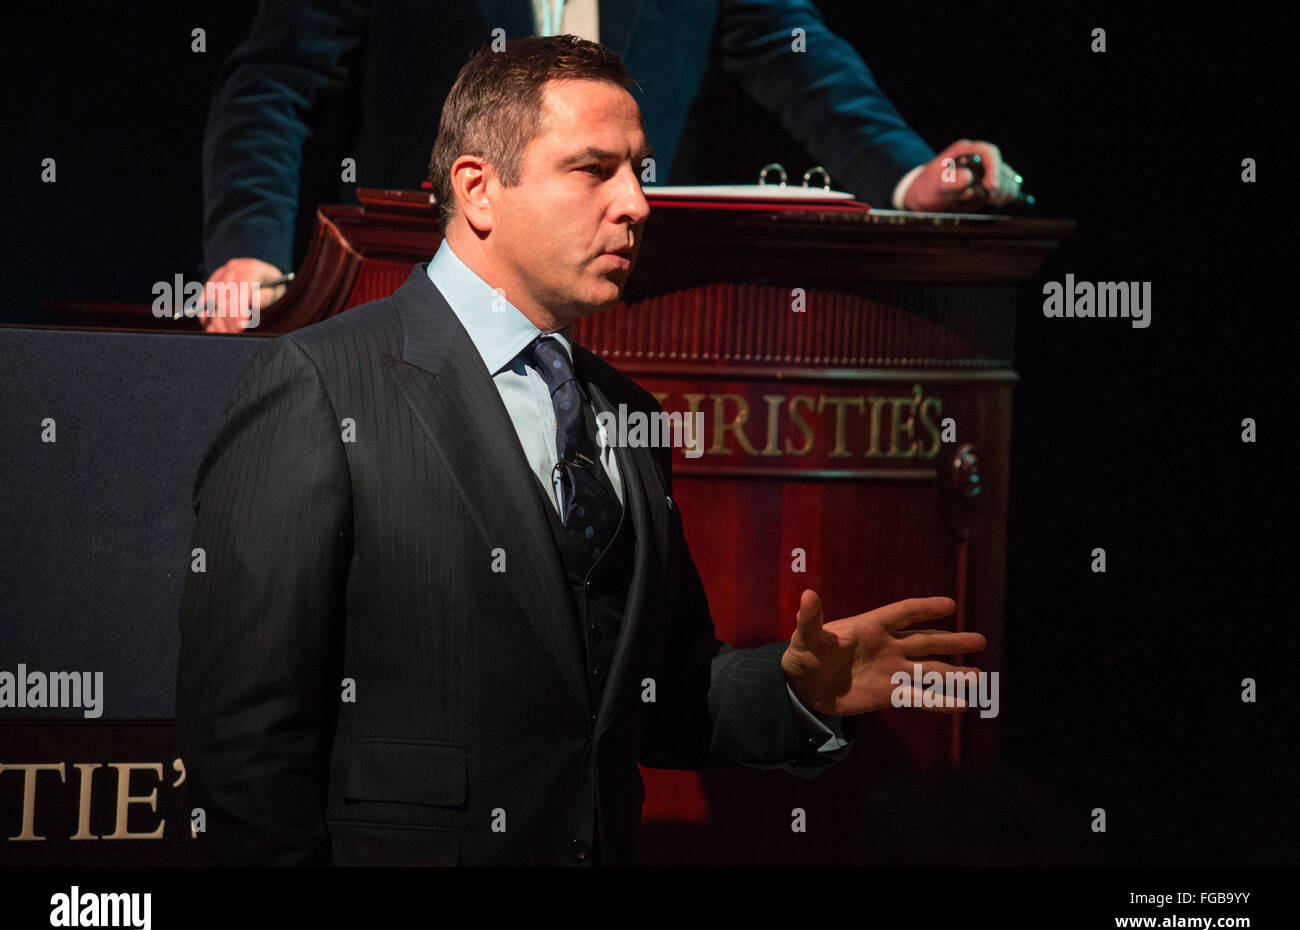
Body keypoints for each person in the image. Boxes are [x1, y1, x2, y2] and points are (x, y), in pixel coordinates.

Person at [176, 35, 986, 865]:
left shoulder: (628, 415)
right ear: (478, 188)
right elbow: (245, 748)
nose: (637, 203)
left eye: (641, 171)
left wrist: (797, 692)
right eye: (595, 170)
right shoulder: (317, 384)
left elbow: (654, 691)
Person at [197, 0, 1023, 331]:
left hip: (637, 308)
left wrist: (911, 177)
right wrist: (251, 251)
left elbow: (792, 52)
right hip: (425, 293)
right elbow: (277, 76)